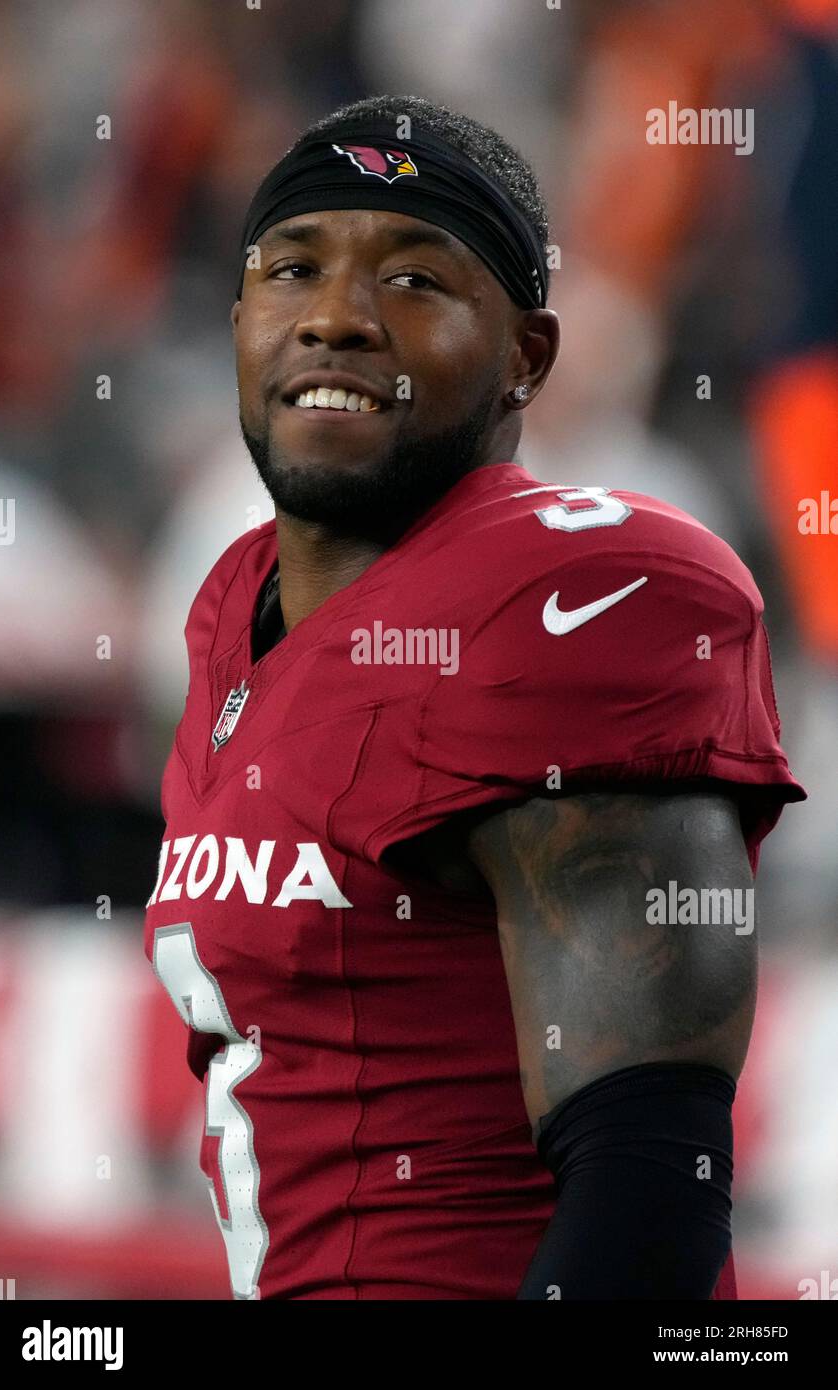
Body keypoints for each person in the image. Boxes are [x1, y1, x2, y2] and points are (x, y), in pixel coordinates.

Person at [144, 95, 804, 1300]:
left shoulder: (580, 594)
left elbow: (649, 1185)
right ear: (239, 318)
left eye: (413, 279)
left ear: (525, 358)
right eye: (293, 268)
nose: (336, 316)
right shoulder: (230, 607)